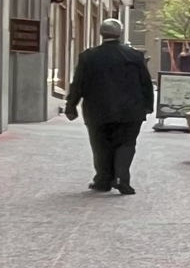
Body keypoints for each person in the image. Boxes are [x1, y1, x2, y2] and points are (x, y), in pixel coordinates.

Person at [64, 19, 155, 195]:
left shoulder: (88, 56)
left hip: (98, 110)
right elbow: (145, 83)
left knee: (100, 145)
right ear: (120, 33)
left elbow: (78, 84)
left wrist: (71, 105)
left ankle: (103, 180)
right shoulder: (134, 56)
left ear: (101, 33)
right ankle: (121, 179)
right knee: (126, 143)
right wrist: (148, 105)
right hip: (130, 111)